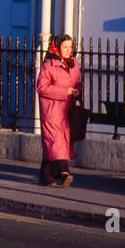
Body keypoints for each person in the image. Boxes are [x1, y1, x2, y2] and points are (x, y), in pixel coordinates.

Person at [36, 33, 82, 187]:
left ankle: (46, 176)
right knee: (57, 141)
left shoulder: (73, 64)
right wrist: (64, 91)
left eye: (71, 47)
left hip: (66, 111)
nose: (69, 50)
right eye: (65, 47)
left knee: (55, 143)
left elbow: (78, 83)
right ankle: (64, 172)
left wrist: (76, 92)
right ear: (57, 47)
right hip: (52, 111)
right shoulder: (48, 65)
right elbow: (41, 88)